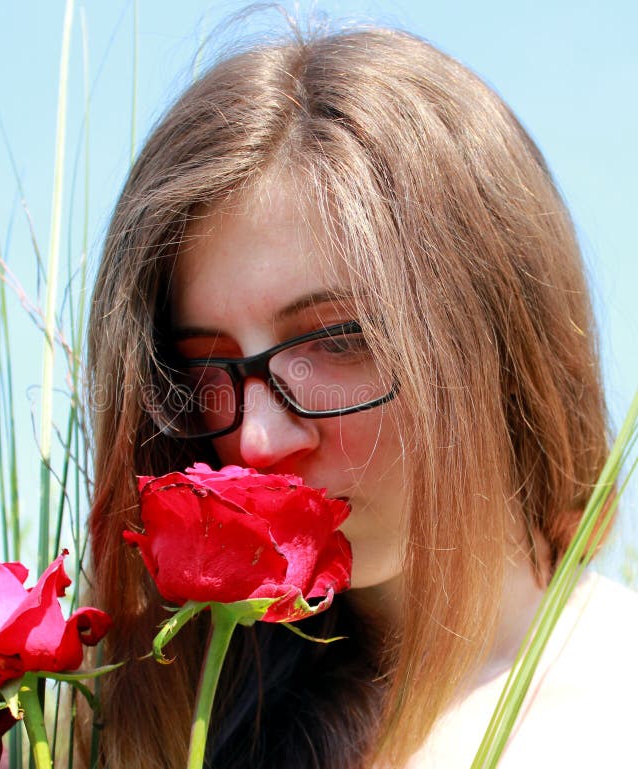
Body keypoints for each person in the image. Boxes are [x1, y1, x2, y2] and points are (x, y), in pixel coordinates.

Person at [84, 23, 638, 769]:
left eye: (337, 340)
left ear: (500, 332)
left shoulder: (613, 704)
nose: (257, 442)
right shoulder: (147, 716)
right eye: (207, 368)